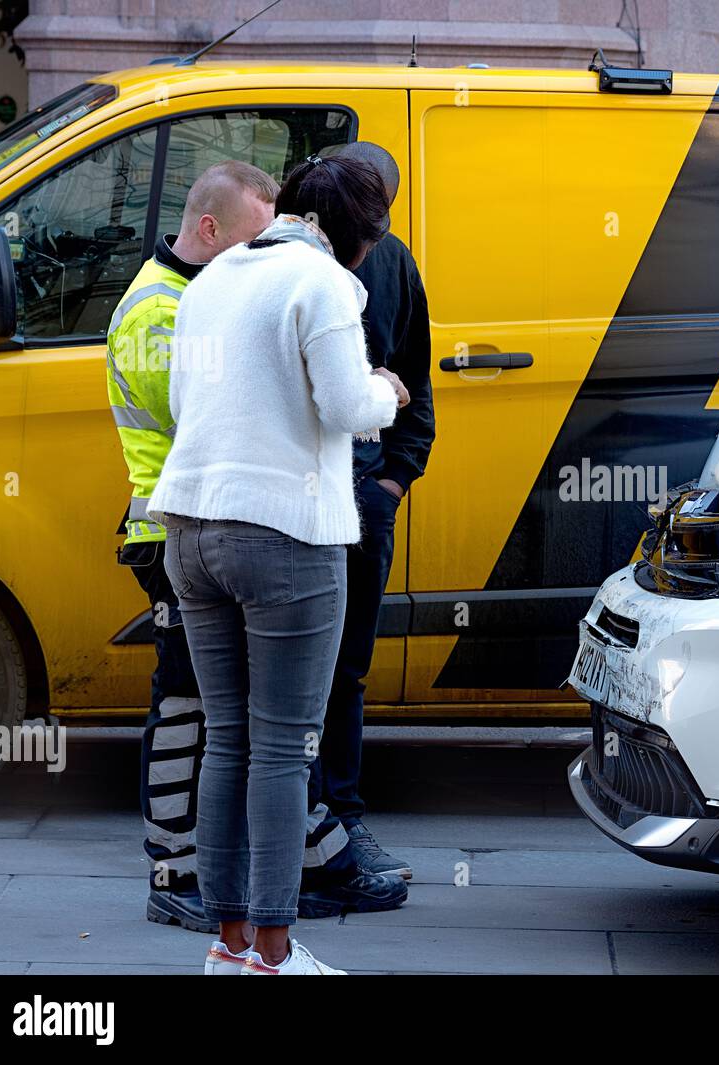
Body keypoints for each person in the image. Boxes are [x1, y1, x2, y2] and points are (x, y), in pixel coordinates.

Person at [149, 155, 409, 975]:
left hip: (190, 528)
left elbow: (194, 405)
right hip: (284, 535)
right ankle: (271, 947)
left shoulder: (213, 277)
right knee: (285, 748)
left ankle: (226, 945)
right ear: (358, 239)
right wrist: (389, 391)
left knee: (225, 740)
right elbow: (343, 405)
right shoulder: (323, 281)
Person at [106, 161, 275, 933]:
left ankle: (204, 862)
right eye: (249, 240)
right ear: (209, 230)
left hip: (194, 528)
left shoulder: (194, 297)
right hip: (167, 534)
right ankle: (170, 871)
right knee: (181, 704)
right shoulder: (157, 312)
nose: (258, 258)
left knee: (207, 705)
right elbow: (209, 416)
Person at [300, 141, 434, 893]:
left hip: (359, 496)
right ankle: (312, 826)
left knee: (346, 670)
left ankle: (342, 817)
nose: (374, 224)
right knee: (304, 674)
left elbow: (415, 378)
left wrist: (391, 483)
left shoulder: (394, 263)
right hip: (304, 497)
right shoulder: (295, 265)